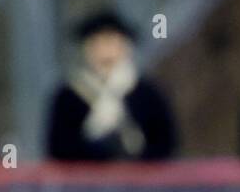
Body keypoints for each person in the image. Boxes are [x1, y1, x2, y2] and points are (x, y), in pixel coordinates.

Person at [47, 11, 176, 161]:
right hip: (88, 181)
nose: (105, 52)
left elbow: (165, 144)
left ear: (125, 47)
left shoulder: (147, 93)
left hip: (141, 181)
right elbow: (58, 149)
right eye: (97, 43)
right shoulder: (68, 96)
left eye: (111, 42)